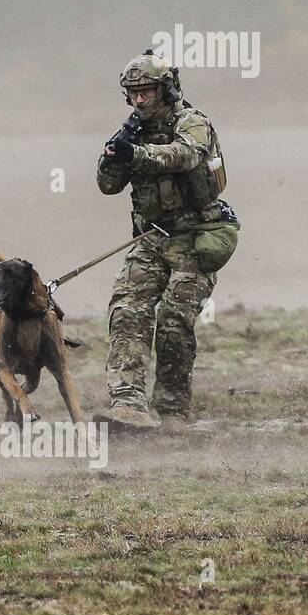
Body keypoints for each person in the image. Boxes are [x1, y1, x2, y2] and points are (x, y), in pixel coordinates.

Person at [95, 50, 239, 430]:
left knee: (174, 321)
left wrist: (137, 154)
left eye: (147, 91)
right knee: (127, 310)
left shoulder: (192, 123)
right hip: (151, 238)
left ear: (165, 89)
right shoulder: (131, 132)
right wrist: (115, 154)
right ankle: (128, 405)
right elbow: (107, 185)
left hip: (196, 236)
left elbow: (185, 156)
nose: (140, 99)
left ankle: (173, 411)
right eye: (134, 93)